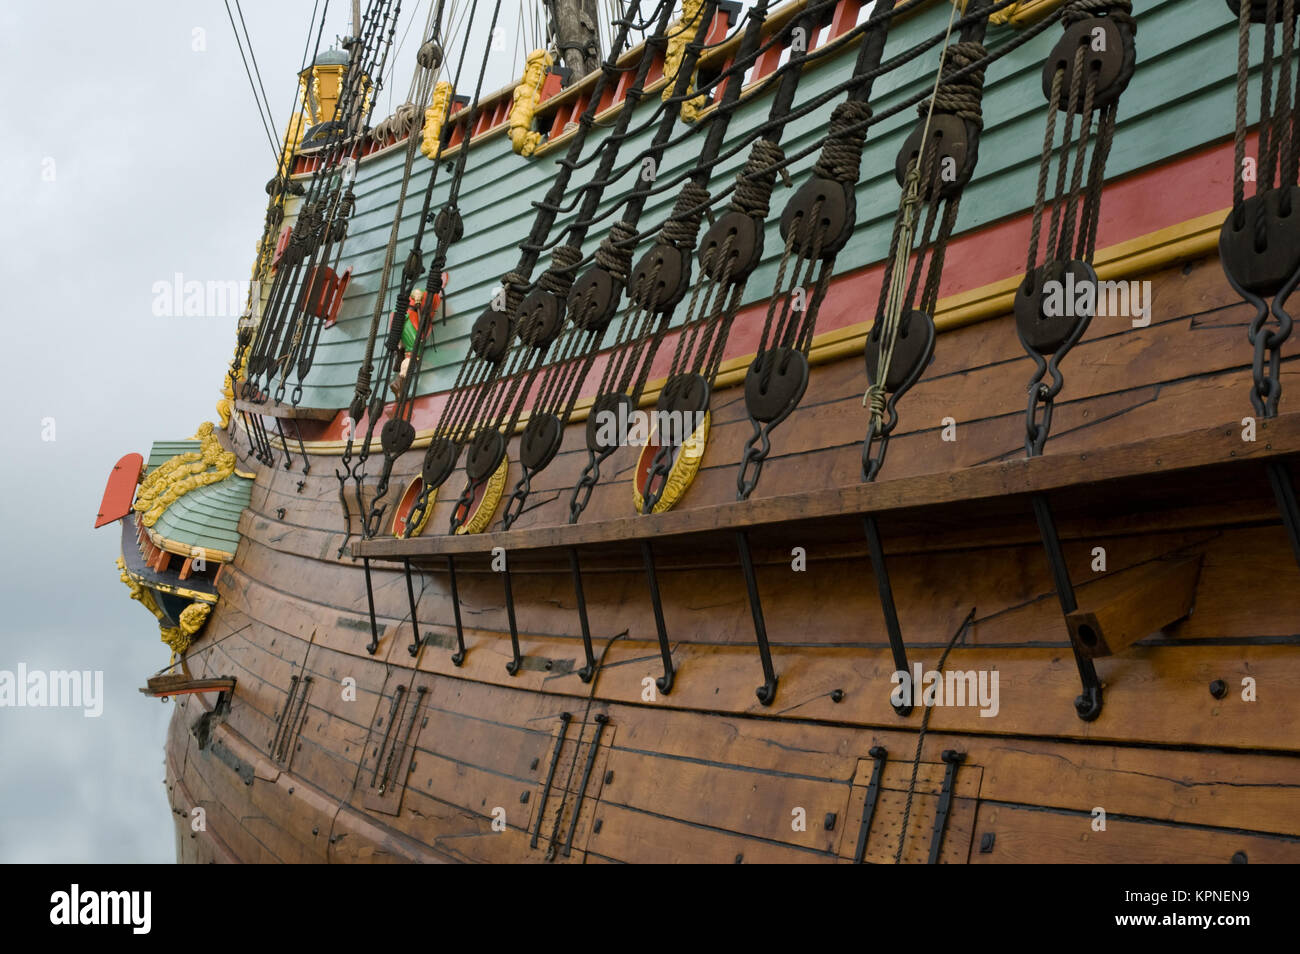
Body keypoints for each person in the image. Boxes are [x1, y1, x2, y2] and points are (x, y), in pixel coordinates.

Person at [390, 274, 447, 397]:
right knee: (413, 353)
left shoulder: (429, 295)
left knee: (405, 349)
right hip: (409, 321)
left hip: (400, 319)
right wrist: (417, 299)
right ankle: (399, 381)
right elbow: (416, 293)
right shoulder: (433, 296)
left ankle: (400, 363)